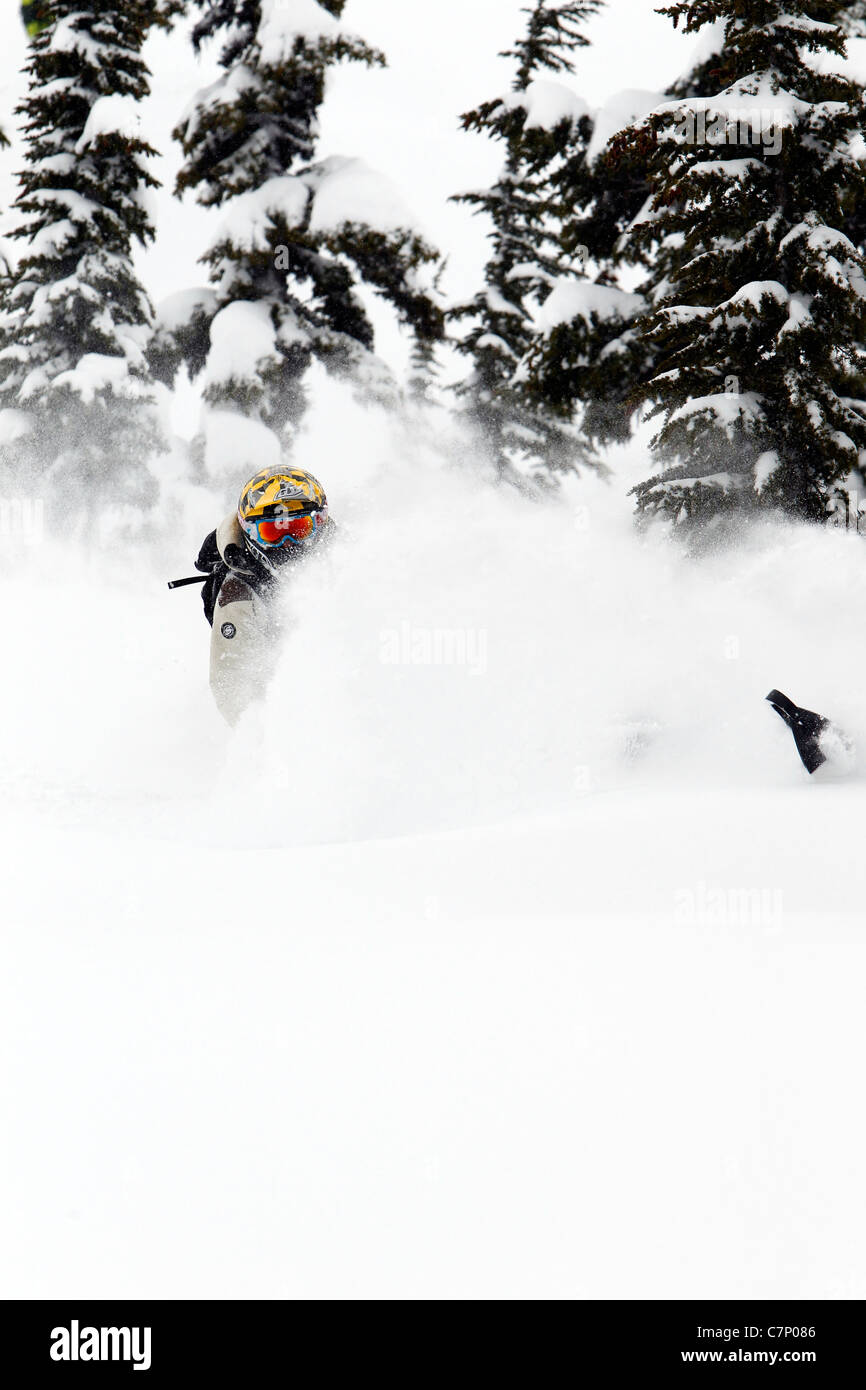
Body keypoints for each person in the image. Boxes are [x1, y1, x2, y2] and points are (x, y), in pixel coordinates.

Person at [194, 467, 334, 724]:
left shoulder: (345, 554)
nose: (287, 543)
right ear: (249, 533)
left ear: (321, 523)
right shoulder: (238, 593)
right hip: (282, 704)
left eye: (300, 528)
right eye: (273, 533)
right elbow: (232, 690)